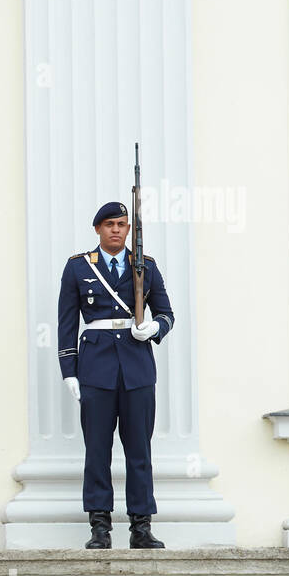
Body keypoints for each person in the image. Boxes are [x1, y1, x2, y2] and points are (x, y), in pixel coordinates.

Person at [58, 201, 174, 550]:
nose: (116, 230)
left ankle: (141, 526)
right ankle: (100, 526)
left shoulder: (146, 267)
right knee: (97, 450)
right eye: (109, 224)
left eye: (122, 224)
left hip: (137, 368)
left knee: (139, 449)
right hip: (95, 369)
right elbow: (66, 322)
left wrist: (153, 327)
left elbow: (167, 313)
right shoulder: (78, 268)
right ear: (98, 229)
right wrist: (69, 370)